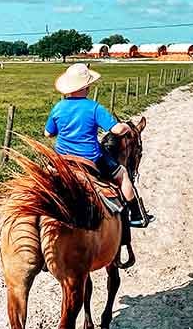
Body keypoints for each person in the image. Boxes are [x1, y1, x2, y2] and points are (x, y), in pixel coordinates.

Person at [44, 63, 154, 228]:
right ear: (86, 86)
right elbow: (116, 130)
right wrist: (124, 126)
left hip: (62, 159)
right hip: (90, 159)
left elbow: (48, 133)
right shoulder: (94, 108)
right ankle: (137, 215)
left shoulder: (58, 107)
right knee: (123, 174)